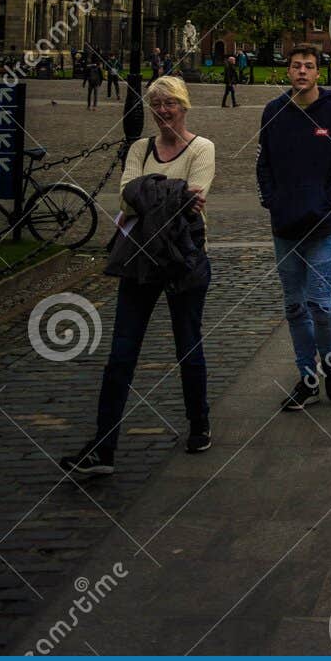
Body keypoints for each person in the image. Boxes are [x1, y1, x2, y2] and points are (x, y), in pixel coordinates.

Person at [60, 77, 216, 477]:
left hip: (183, 258)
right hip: (141, 259)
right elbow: (126, 199)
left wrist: (151, 194)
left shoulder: (203, 148)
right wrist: (171, 194)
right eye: (157, 104)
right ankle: (103, 447)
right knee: (121, 355)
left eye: (171, 104)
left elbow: (189, 203)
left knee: (187, 344)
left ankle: (199, 423)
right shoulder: (139, 148)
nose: (163, 111)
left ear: (185, 106)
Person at [257, 43, 331, 411]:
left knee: (319, 304)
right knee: (295, 306)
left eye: (309, 66)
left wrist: (329, 202)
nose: (302, 71)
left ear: (319, 72)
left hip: (322, 225)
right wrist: (271, 199)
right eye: (296, 65)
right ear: (289, 71)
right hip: (284, 224)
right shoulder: (273, 112)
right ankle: (308, 377)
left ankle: (330, 362)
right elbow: (262, 162)